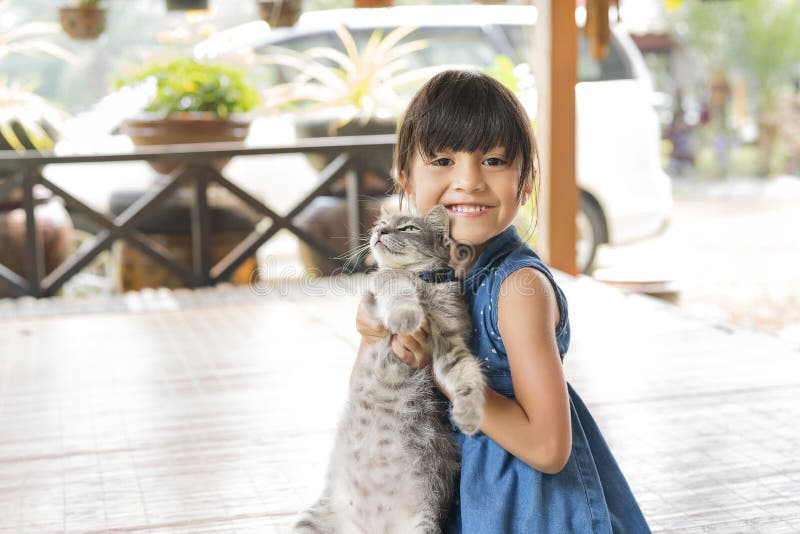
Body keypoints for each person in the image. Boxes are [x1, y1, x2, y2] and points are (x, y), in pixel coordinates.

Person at [355, 70, 651, 533]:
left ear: (525, 182)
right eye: (443, 160)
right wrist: (372, 338)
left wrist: (444, 369)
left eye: (493, 160)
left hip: (525, 513)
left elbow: (549, 448)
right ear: (407, 181)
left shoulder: (518, 290)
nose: (469, 180)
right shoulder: (420, 276)